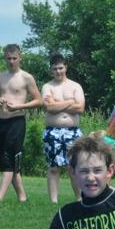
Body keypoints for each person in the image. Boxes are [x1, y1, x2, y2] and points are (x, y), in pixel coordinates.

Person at [0, 44, 42, 202]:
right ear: (5, 58)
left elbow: (38, 100)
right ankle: (22, 196)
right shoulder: (0, 77)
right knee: (8, 162)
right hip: (1, 121)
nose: (11, 61)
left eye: (14, 58)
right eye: (8, 58)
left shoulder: (26, 77)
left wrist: (20, 106)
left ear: (20, 58)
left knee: (9, 159)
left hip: (17, 121)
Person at [41, 53, 85, 203]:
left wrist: (58, 103)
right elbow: (50, 108)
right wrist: (69, 101)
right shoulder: (47, 86)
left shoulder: (75, 86)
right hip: (52, 131)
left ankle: (80, 199)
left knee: (74, 167)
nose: (58, 71)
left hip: (73, 132)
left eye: (61, 68)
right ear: (51, 70)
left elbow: (80, 107)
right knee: (53, 167)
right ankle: (53, 201)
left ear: (66, 67)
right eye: (55, 69)